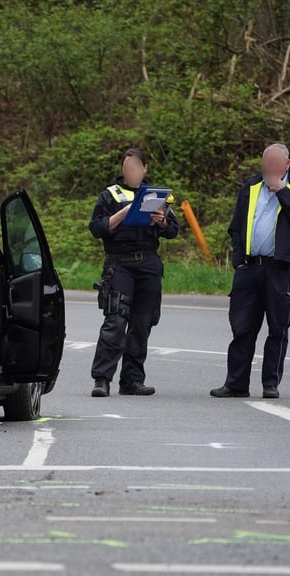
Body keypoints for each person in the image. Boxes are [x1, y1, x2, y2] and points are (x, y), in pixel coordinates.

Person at [211, 143, 290, 400]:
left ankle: (270, 384)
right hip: (249, 268)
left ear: (287, 165)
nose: (268, 169)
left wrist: (283, 192)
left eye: (274, 164)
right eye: (265, 164)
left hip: (281, 270)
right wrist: (238, 260)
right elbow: (236, 226)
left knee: (278, 329)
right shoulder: (250, 187)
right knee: (242, 328)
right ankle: (236, 384)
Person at [89, 148, 179, 397]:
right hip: (120, 264)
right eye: (127, 169)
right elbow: (96, 228)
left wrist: (161, 220)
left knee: (142, 323)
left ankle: (132, 379)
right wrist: (123, 213)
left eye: (136, 168)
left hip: (149, 263)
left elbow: (172, 230)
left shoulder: (158, 195)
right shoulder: (110, 195)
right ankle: (102, 379)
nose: (132, 173)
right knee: (116, 320)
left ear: (145, 169)